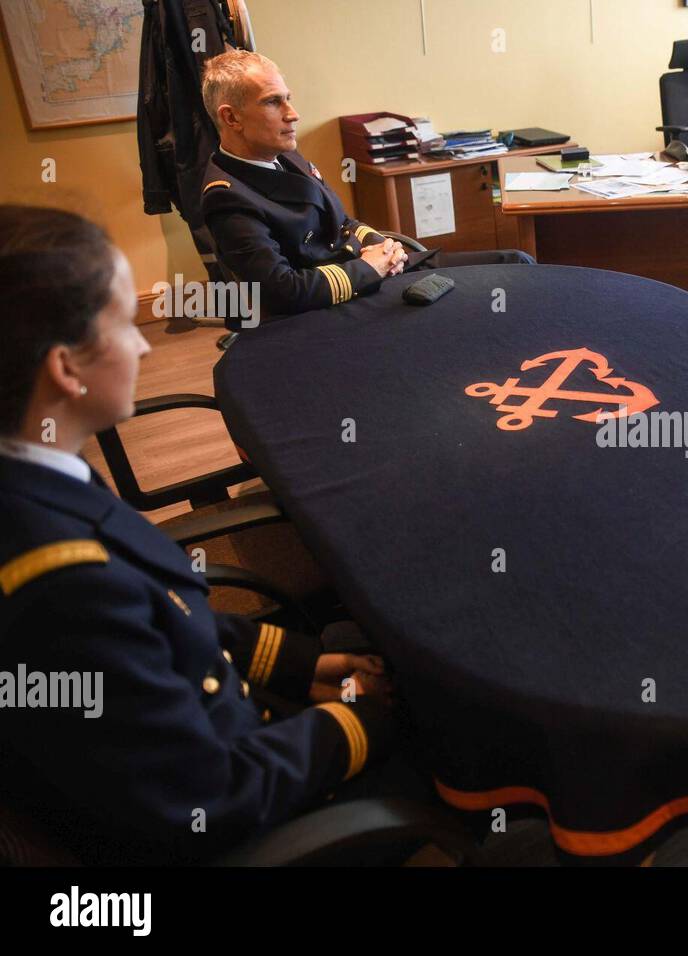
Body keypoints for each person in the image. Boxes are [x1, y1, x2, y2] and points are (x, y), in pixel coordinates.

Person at [0, 205, 394, 864]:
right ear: (66, 370)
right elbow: (206, 800)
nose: (146, 345)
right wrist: (364, 721)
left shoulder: (42, 478)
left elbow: (164, 619)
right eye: (126, 326)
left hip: (202, 733)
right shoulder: (61, 585)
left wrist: (306, 666)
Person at [198, 50, 532, 323]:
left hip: (370, 271)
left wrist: (382, 245)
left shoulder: (284, 153)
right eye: (273, 102)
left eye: (289, 99)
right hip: (332, 308)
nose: (293, 114)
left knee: (515, 263)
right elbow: (283, 292)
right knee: (480, 305)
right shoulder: (227, 196)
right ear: (231, 118)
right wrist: (371, 267)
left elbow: (342, 223)